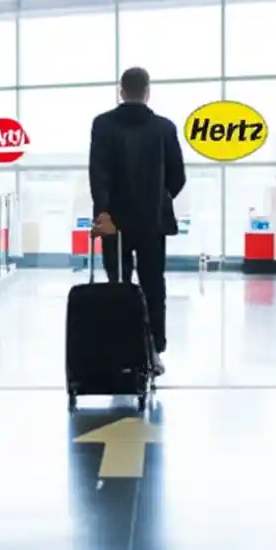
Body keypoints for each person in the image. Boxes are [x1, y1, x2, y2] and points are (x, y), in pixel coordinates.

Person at [89, 66, 186, 375]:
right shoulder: (164, 128)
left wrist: (104, 212)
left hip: (114, 222)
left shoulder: (103, 125)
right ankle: (153, 351)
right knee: (153, 285)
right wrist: (160, 198)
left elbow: (98, 173)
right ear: (147, 92)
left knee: (118, 285)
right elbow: (178, 176)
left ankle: (120, 350)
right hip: (152, 221)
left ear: (121, 91)